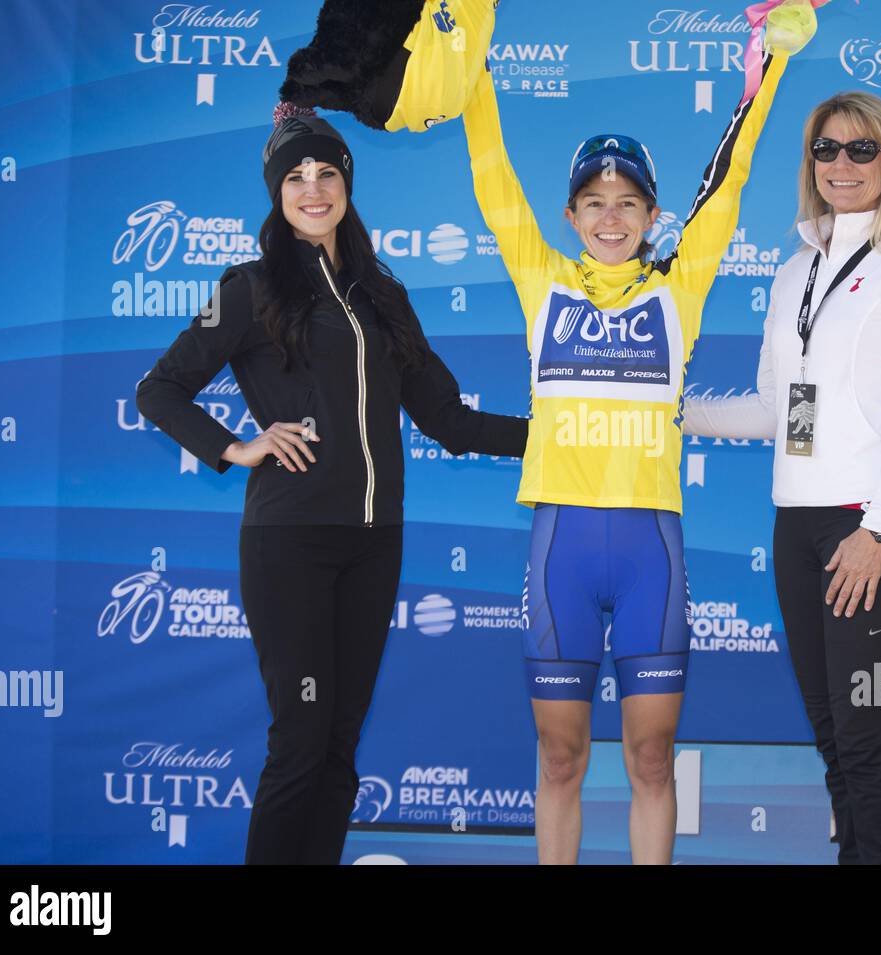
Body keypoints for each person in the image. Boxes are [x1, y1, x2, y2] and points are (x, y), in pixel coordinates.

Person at [135, 104, 528, 864]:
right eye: (295, 177)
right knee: (302, 741)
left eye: (326, 173)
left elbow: (450, 420)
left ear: (347, 183)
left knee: (341, 745)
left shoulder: (383, 294)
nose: (312, 189)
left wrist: (561, 434)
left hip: (375, 545)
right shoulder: (248, 288)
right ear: (277, 193)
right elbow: (160, 388)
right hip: (293, 545)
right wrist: (237, 448)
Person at [459, 44, 791, 863]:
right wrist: (466, 64)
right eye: (595, 202)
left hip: (651, 552)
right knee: (562, 757)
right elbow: (492, 173)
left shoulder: (679, 290)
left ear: (651, 216)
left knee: (649, 757)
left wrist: (773, 60)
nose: (611, 217)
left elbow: (733, 174)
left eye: (629, 202)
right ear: (571, 217)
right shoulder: (544, 283)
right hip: (561, 547)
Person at [684, 92, 881, 864]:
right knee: (837, 736)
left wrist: (877, 528)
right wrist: (665, 411)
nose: (841, 164)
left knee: (871, 735)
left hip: (877, 525)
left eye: (861, 150)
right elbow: (778, 411)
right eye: (826, 150)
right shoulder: (794, 269)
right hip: (797, 522)